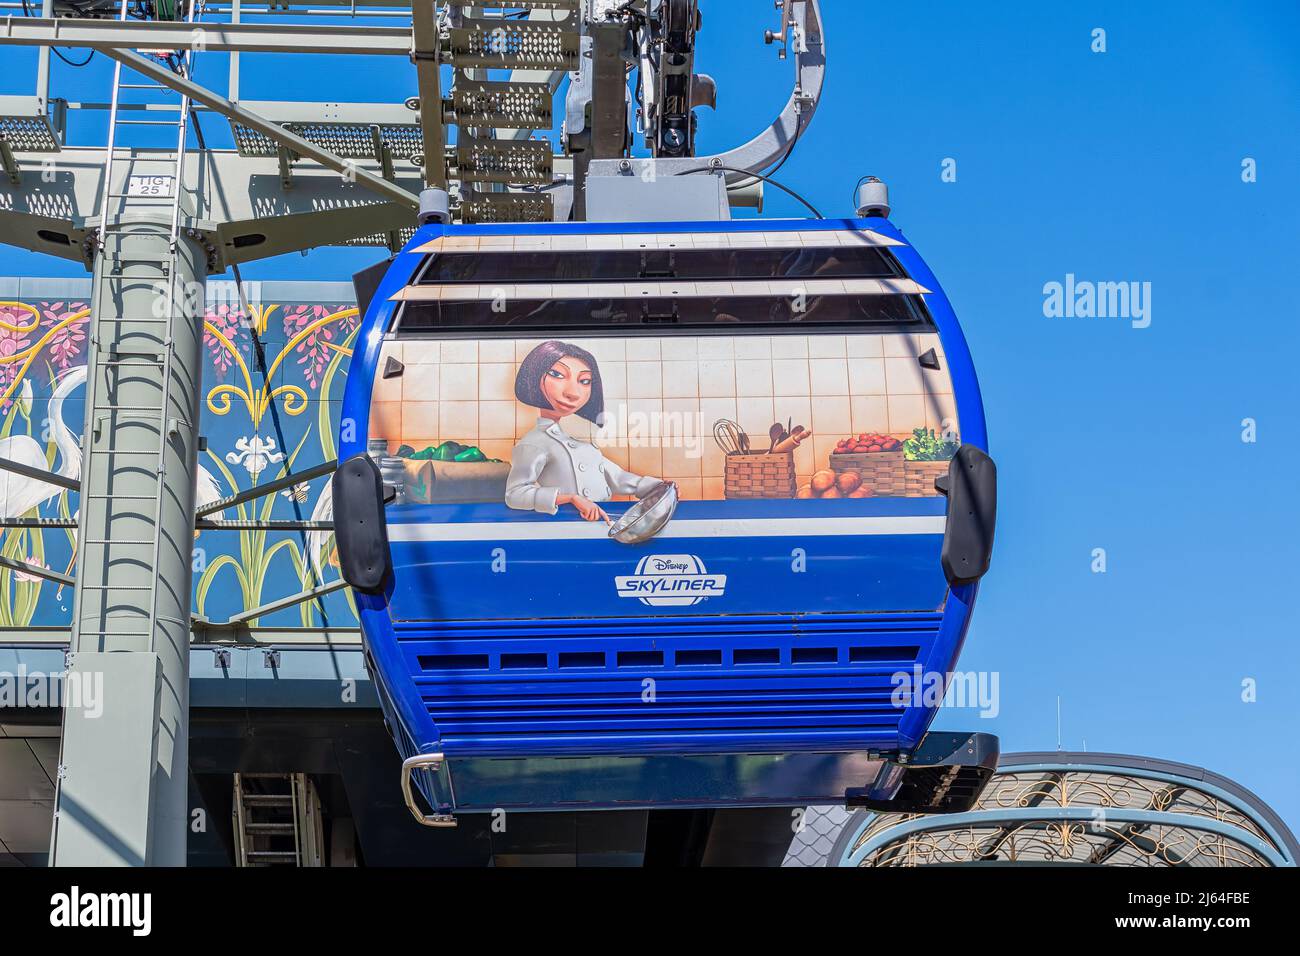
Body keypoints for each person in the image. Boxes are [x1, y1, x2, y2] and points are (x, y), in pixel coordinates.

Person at [506, 340, 662, 522]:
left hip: (602, 520)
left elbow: (614, 476)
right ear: (534, 377)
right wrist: (571, 498)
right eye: (557, 374)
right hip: (566, 524)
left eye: (584, 381)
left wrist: (656, 487)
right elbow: (515, 494)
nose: (573, 392)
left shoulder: (580, 436)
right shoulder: (534, 442)